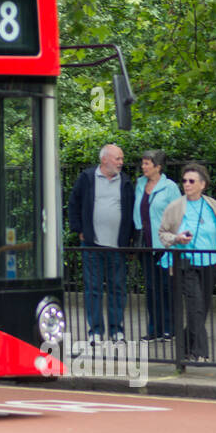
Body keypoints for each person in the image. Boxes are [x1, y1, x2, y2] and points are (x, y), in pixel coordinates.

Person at [160, 163, 216, 362]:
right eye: (185, 181)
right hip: (186, 263)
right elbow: (163, 233)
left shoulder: (213, 205)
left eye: (191, 181)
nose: (186, 185)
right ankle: (200, 352)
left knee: (202, 308)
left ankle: (185, 348)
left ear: (202, 184)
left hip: (210, 263)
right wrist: (177, 238)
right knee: (195, 306)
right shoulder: (176, 207)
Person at [67, 144, 134, 344]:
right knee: (93, 289)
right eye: (117, 159)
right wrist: (79, 229)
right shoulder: (87, 178)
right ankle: (95, 331)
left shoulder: (126, 181)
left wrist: (129, 237)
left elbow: (131, 211)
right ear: (104, 159)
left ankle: (116, 331)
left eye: (122, 159)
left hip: (117, 246)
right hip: (92, 244)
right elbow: (73, 203)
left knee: (117, 289)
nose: (121, 163)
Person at [133, 150, 180, 342]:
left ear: (158, 167)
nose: (143, 167)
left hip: (165, 244)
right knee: (151, 288)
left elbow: (179, 215)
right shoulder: (140, 184)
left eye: (147, 164)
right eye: (143, 163)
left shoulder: (170, 187)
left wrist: (174, 241)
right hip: (146, 243)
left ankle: (170, 328)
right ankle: (154, 328)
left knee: (166, 287)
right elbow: (137, 212)